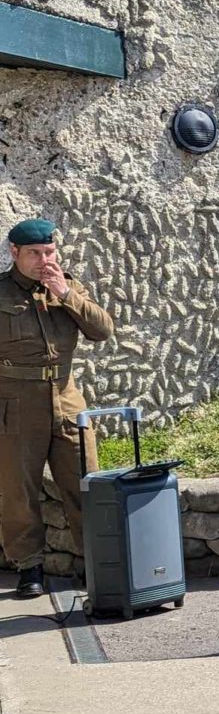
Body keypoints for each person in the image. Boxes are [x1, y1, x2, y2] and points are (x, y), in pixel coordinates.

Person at [0, 219, 113, 598]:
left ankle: (95, 563)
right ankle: (28, 567)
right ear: (14, 253)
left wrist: (65, 293)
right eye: (34, 254)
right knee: (18, 489)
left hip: (66, 397)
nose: (43, 260)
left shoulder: (66, 285)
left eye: (49, 252)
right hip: (16, 401)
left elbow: (102, 330)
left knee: (86, 482)